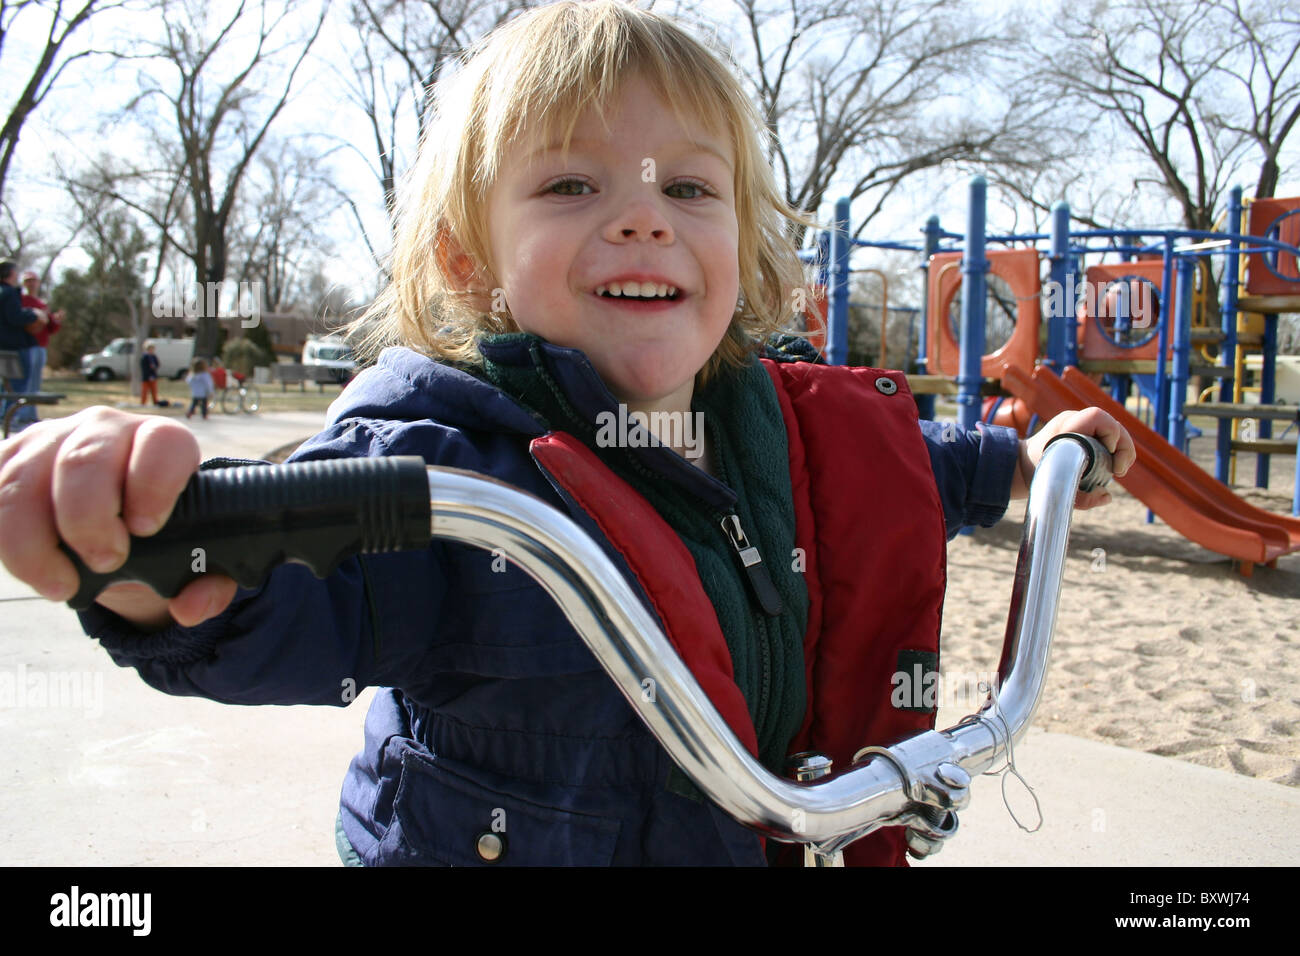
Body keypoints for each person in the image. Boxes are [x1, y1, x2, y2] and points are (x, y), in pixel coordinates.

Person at [0, 1, 1136, 866]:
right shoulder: (442, 457)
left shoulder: (784, 423)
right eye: (572, 184)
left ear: (741, 247)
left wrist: (1032, 462)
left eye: (689, 190)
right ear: (467, 257)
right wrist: (165, 556)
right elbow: (312, 594)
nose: (641, 214)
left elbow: (906, 475)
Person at [0, 260, 47, 430]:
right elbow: (15, 317)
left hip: (3, 347)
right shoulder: (11, 293)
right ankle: (9, 419)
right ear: (11, 274)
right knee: (18, 386)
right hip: (14, 346)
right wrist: (33, 314)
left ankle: (5, 417)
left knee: (5, 384)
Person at [16, 270, 62, 427]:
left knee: (35, 383)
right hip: (26, 346)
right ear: (23, 283)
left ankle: (30, 415)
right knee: (25, 382)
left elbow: (50, 329)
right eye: (28, 280)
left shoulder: (42, 303)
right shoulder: (21, 300)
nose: (31, 283)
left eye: (34, 280)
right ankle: (21, 416)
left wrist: (55, 320)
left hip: (41, 346)